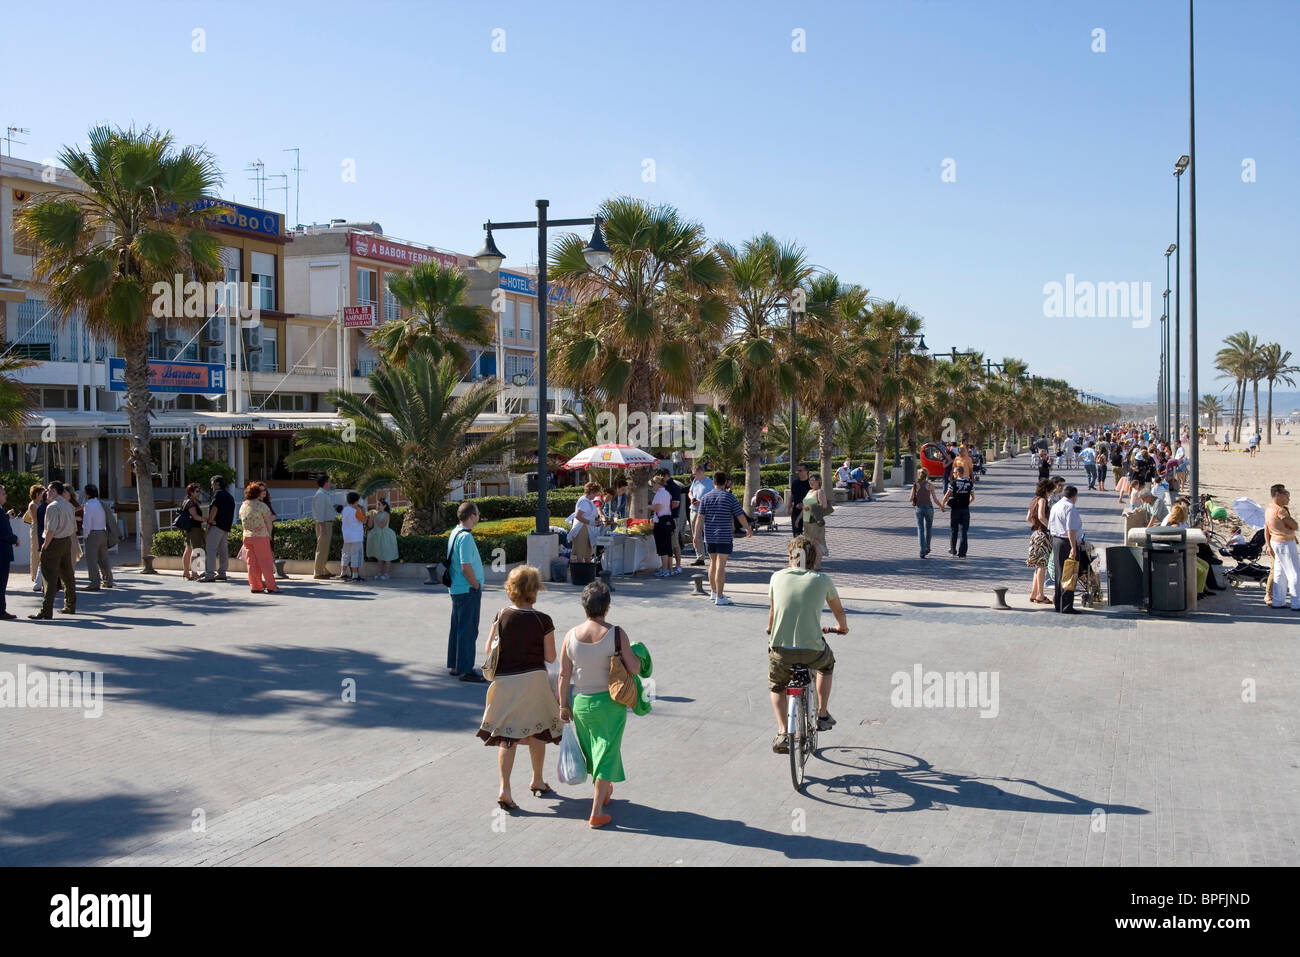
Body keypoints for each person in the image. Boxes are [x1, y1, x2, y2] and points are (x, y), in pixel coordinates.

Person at [557, 579, 642, 828]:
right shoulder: (616, 634)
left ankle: (603, 793)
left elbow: (563, 675)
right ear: (607, 606)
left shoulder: (570, 636)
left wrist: (563, 705)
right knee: (606, 753)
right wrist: (637, 655)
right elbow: (634, 667)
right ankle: (596, 812)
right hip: (610, 703)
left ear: (584, 606)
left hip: (581, 703)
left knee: (595, 751)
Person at [477, 565, 562, 810]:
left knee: (507, 736)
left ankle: (504, 789)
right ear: (535, 591)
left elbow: (487, 650)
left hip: (505, 682)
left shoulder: (501, 615)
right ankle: (537, 780)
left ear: (511, 589)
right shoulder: (543, 619)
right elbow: (550, 656)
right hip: (534, 681)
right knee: (538, 729)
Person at [766, 535, 849, 754]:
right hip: (813, 650)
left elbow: (773, 612)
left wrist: (769, 628)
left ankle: (783, 732)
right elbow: (838, 611)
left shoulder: (776, 577)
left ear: (790, 556)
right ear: (813, 557)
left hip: (781, 649)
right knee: (826, 665)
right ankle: (822, 713)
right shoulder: (822, 580)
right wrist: (842, 627)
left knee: (777, 685)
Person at [692, 470, 753, 606]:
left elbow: (699, 519)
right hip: (724, 536)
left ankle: (714, 592)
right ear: (725, 483)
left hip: (709, 536)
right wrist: (748, 528)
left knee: (712, 563)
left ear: (713, 482)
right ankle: (720, 596)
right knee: (721, 565)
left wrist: (696, 536)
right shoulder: (729, 497)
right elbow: (740, 515)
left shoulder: (706, 498)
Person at [447, 501, 486, 681]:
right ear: (471, 516)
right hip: (467, 589)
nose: (478, 516)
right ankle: (465, 669)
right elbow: (465, 566)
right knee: (468, 630)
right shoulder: (466, 537)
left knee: (458, 628)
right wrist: (476, 584)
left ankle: (456, 665)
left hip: (456, 588)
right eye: (477, 513)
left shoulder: (455, 532)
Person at [30, 480, 76, 620]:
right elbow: (74, 527)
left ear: (55, 491)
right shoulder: (68, 505)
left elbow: (50, 530)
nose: (46, 493)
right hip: (66, 541)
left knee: (49, 577)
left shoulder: (52, 507)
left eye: (49, 490)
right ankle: (70, 605)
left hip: (54, 542)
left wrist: (45, 546)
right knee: (68, 576)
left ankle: (46, 610)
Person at [1048, 485, 1083, 614]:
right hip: (1066, 542)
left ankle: (1058, 603)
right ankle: (1067, 606)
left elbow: (1050, 525)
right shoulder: (1070, 508)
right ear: (1074, 496)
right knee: (1069, 573)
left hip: (1056, 540)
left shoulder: (1056, 506)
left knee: (1059, 573)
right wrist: (1073, 547)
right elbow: (1071, 529)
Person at [1263, 484, 1299, 611]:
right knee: (1294, 572)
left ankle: (1278, 601)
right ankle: (1297, 602)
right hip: (1285, 542)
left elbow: (1266, 529)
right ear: (1277, 494)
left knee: (1280, 572)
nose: (1288, 498)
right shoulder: (1280, 510)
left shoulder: (1268, 508)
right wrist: (1290, 525)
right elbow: (1295, 526)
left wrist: (1268, 544)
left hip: (1275, 541)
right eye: (1285, 495)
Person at [81, 484, 114, 591]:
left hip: (92, 533)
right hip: (102, 532)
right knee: (104, 558)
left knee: (92, 560)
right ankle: (108, 580)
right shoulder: (101, 503)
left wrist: (85, 535)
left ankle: (94, 582)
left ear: (87, 494)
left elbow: (87, 522)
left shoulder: (89, 505)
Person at [202, 475, 235, 583]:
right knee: (223, 551)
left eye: (212, 484)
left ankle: (209, 575)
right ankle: (222, 573)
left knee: (210, 550)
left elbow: (214, 509)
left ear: (217, 484)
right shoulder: (229, 496)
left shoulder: (218, 494)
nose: (211, 486)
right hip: (225, 527)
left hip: (216, 526)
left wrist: (209, 522)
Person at [1026, 479, 1054, 604]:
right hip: (1042, 535)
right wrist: (1051, 527)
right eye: (1051, 491)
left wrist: (1035, 523)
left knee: (1037, 566)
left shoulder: (1033, 500)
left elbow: (1028, 518)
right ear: (1047, 490)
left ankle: (1034, 592)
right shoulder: (1042, 500)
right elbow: (1041, 516)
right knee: (1042, 565)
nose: (1051, 494)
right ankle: (1040, 595)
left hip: (1034, 534)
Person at [941, 463, 975, 558]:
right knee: (964, 531)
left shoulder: (954, 483)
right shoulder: (969, 483)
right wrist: (967, 503)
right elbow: (973, 497)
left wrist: (942, 505)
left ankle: (953, 549)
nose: (953, 474)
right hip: (965, 509)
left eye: (955, 472)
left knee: (954, 530)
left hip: (955, 510)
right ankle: (962, 552)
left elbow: (947, 494)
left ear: (958, 472)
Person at [910, 469, 945, 558]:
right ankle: (927, 548)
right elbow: (935, 499)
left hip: (919, 508)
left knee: (920, 529)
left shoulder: (915, 485)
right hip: (929, 508)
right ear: (927, 475)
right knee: (928, 529)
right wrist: (941, 506)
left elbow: (910, 498)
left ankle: (922, 551)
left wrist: (916, 497)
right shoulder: (930, 485)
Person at [800, 473, 831, 570]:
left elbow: (824, 506)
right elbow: (805, 505)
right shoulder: (809, 491)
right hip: (806, 521)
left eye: (813, 480)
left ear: (819, 482)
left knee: (817, 542)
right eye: (810, 480)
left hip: (814, 521)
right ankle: (811, 563)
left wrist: (808, 508)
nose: (811, 482)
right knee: (809, 543)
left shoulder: (820, 492)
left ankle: (818, 564)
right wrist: (798, 518)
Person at [568, 480, 602, 566]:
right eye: (595, 494)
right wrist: (590, 522)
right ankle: (580, 571)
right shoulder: (583, 501)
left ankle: (587, 570)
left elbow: (591, 514)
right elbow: (578, 516)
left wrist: (596, 521)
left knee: (588, 551)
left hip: (588, 528)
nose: (595, 496)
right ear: (591, 492)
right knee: (580, 552)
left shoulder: (589, 501)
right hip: (581, 528)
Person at [650, 473, 677, 577]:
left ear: (657, 483)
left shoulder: (659, 494)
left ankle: (665, 569)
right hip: (668, 520)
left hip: (661, 521)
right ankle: (669, 569)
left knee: (662, 547)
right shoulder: (666, 493)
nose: (652, 486)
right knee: (668, 546)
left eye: (653, 484)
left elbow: (657, 508)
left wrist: (647, 506)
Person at [311, 475, 336, 580]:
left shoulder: (324, 494)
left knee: (324, 548)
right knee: (322, 548)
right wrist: (322, 527)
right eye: (330, 482)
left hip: (326, 523)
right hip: (324, 524)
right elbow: (320, 512)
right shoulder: (321, 495)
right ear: (325, 483)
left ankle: (322, 570)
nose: (331, 484)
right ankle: (318, 572)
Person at [179, 483, 206, 581]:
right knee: (196, 551)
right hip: (194, 528)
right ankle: (194, 573)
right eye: (197, 491)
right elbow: (195, 516)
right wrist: (206, 519)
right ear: (191, 492)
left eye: (199, 491)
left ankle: (186, 572)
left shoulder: (187, 501)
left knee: (188, 550)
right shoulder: (191, 503)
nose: (199, 493)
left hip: (189, 529)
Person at [688, 465, 714, 565]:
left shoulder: (710, 483)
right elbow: (690, 491)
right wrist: (692, 498)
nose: (693, 476)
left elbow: (712, 497)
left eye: (695, 474)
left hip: (705, 512)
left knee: (707, 534)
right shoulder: (695, 481)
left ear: (700, 472)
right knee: (695, 534)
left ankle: (712, 556)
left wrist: (701, 502)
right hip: (694, 510)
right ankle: (700, 557)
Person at [366, 499, 398, 579]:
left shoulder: (386, 514)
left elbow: (382, 525)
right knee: (379, 556)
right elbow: (370, 526)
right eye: (377, 504)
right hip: (377, 537)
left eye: (379, 504)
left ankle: (386, 574)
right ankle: (379, 573)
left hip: (386, 536)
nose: (378, 506)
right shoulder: (375, 514)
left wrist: (375, 516)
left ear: (384, 506)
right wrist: (371, 517)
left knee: (387, 555)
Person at [0, 485, 19, 620]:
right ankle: (1, 611)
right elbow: (2, 533)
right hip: (1, 553)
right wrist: (15, 539)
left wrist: (6, 516)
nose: (5, 495)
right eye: (3, 493)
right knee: (1, 583)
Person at [340, 491, 367, 582]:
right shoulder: (356, 511)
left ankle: (343, 573)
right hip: (356, 537)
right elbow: (364, 521)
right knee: (355, 555)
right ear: (356, 501)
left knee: (346, 554)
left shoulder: (344, 510)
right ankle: (355, 575)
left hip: (346, 537)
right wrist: (363, 512)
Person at [21, 485, 43, 592]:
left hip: (41, 529)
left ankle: (40, 577)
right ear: (38, 494)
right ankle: (35, 576)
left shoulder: (40, 504)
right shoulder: (33, 505)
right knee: (35, 552)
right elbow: (36, 519)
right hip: (36, 529)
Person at [787, 463, 810, 537]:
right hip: (796, 511)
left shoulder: (811, 483)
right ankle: (798, 548)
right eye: (797, 470)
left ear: (806, 471)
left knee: (808, 534)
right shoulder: (795, 483)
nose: (798, 472)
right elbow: (792, 495)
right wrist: (789, 506)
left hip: (808, 511)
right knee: (796, 533)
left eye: (800, 470)